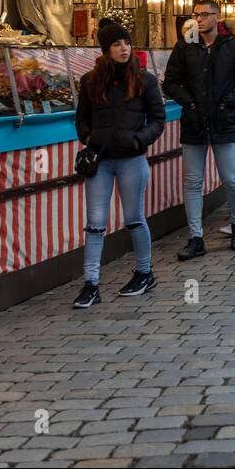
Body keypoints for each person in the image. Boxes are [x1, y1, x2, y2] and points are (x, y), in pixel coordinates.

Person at [72, 22, 166, 308]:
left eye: (126, 42)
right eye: (117, 44)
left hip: (131, 159)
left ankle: (144, 272)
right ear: (106, 50)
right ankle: (90, 283)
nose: (124, 48)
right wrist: (89, 137)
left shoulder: (145, 80)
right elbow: (81, 118)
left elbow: (158, 119)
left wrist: (139, 141)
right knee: (95, 224)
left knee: (134, 218)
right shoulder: (90, 81)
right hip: (100, 160)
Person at [164, 0, 235, 259]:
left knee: (230, 177)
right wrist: (190, 102)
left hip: (223, 122)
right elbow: (170, 82)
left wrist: (228, 102)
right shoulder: (185, 47)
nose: (199, 19)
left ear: (217, 17)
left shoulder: (234, 47)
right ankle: (196, 237)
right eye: (196, 15)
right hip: (194, 122)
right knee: (193, 181)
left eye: (205, 15)